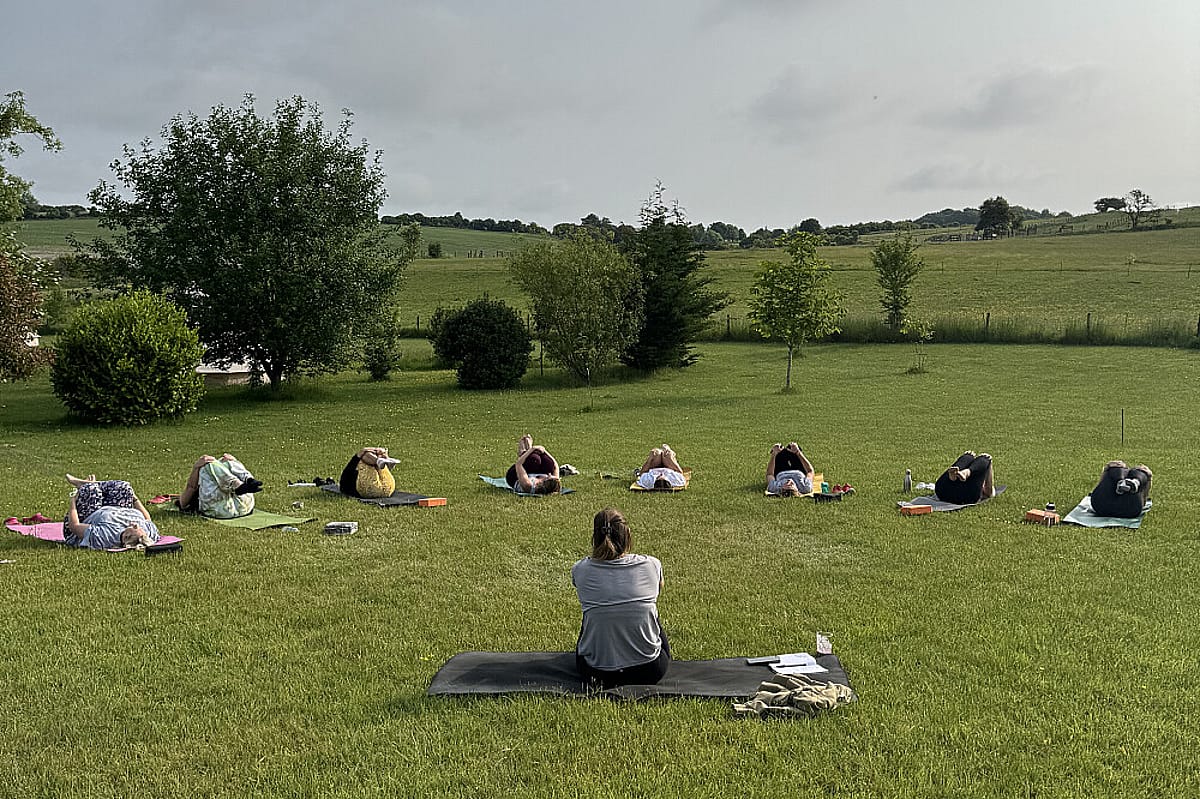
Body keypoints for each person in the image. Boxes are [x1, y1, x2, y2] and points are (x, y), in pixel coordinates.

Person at [572, 508, 670, 688]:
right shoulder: (651, 565)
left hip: (596, 674)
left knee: (592, 615)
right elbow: (659, 588)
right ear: (627, 535)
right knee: (651, 613)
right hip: (650, 670)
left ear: (595, 538)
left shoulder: (581, 570)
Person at [63, 474, 161, 550]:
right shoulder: (147, 534)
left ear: (126, 536)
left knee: (90, 491)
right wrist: (134, 499)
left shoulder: (106, 536)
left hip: (85, 516)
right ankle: (89, 483)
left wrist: (73, 501)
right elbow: (147, 519)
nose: (136, 525)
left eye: (135, 528)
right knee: (124, 487)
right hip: (111, 508)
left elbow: (74, 527)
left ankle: (87, 485)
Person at [177, 454, 262, 519]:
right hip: (245, 507)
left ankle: (245, 481)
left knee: (222, 461)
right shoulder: (211, 484)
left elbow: (191, 487)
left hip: (220, 510)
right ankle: (248, 478)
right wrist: (234, 462)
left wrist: (196, 467)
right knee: (210, 464)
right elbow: (183, 503)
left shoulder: (209, 488)